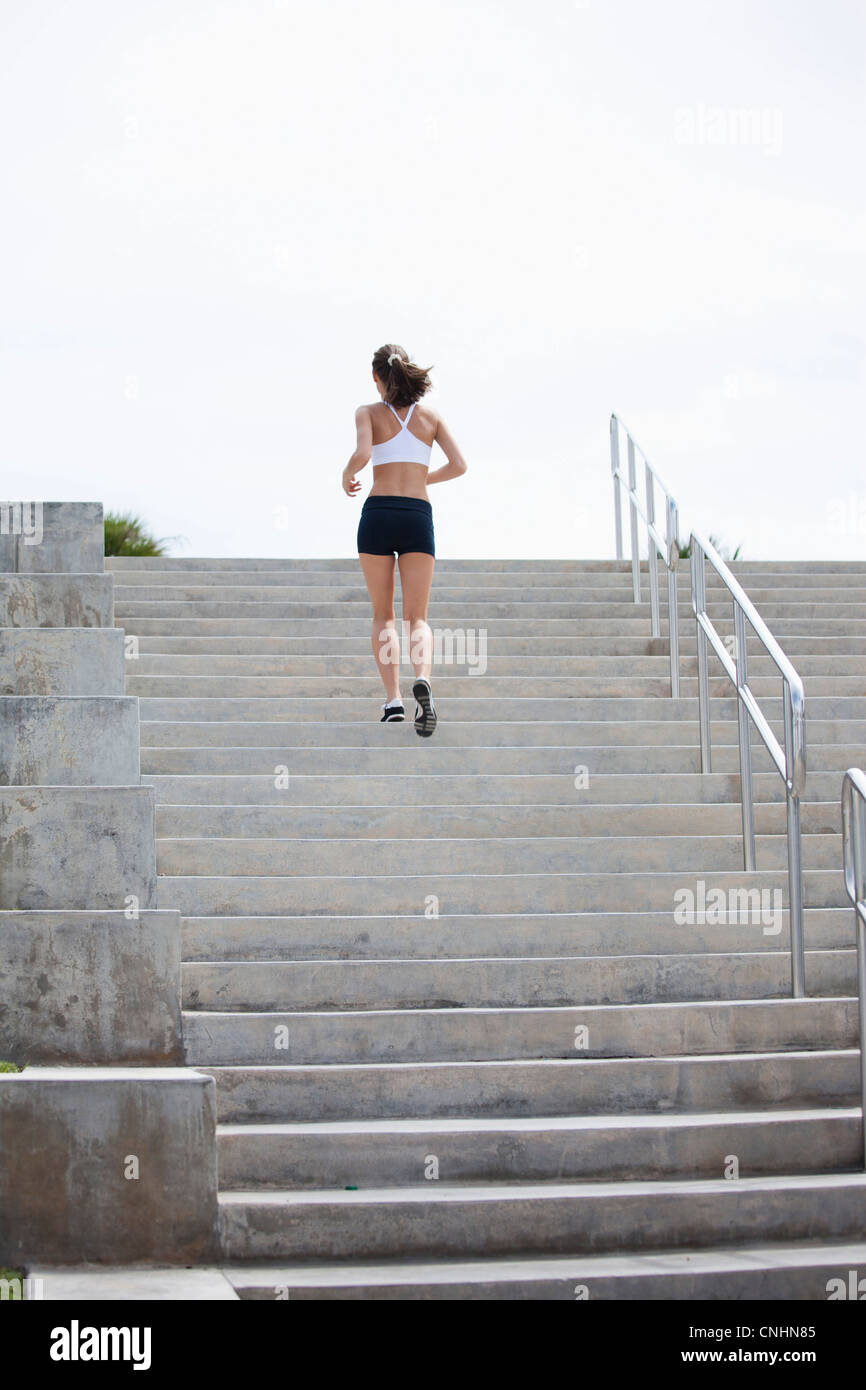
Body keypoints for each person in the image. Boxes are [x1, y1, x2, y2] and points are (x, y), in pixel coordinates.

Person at [342, 343, 467, 737]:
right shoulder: (430, 417)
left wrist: (346, 474)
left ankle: (393, 701)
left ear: (377, 377)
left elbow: (363, 453)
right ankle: (423, 680)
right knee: (418, 617)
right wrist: (420, 478)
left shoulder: (368, 412)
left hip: (378, 513)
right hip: (416, 514)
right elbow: (460, 465)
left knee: (384, 615)